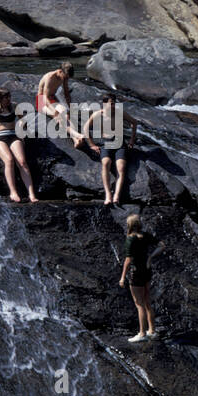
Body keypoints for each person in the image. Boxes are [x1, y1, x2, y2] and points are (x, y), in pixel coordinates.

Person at [82, 94, 138, 205]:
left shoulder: (119, 113)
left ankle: (116, 195)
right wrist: (91, 144)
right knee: (106, 163)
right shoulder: (98, 114)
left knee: (121, 167)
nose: (112, 105)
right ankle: (108, 194)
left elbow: (134, 122)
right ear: (104, 104)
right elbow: (85, 128)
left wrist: (132, 141)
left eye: (114, 103)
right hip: (105, 143)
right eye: (110, 103)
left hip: (119, 143)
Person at [119, 213, 158, 343]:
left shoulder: (130, 239)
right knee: (147, 301)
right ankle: (152, 331)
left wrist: (122, 277)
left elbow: (128, 259)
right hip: (147, 271)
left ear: (129, 225)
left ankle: (142, 333)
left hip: (136, 273)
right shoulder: (146, 236)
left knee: (139, 304)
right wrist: (151, 257)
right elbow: (162, 245)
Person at [35, 62, 84, 147]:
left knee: (66, 113)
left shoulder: (64, 77)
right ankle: (76, 136)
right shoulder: (50, 77)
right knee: (59, 117)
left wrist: (71, 107)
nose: (66, 79)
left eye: (67, 78)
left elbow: (66, 94)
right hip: (42, 101)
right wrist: (54, 111)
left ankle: (76, 140)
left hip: (52, 98)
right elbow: (45, 97)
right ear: (60, 71)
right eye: (65, 77)